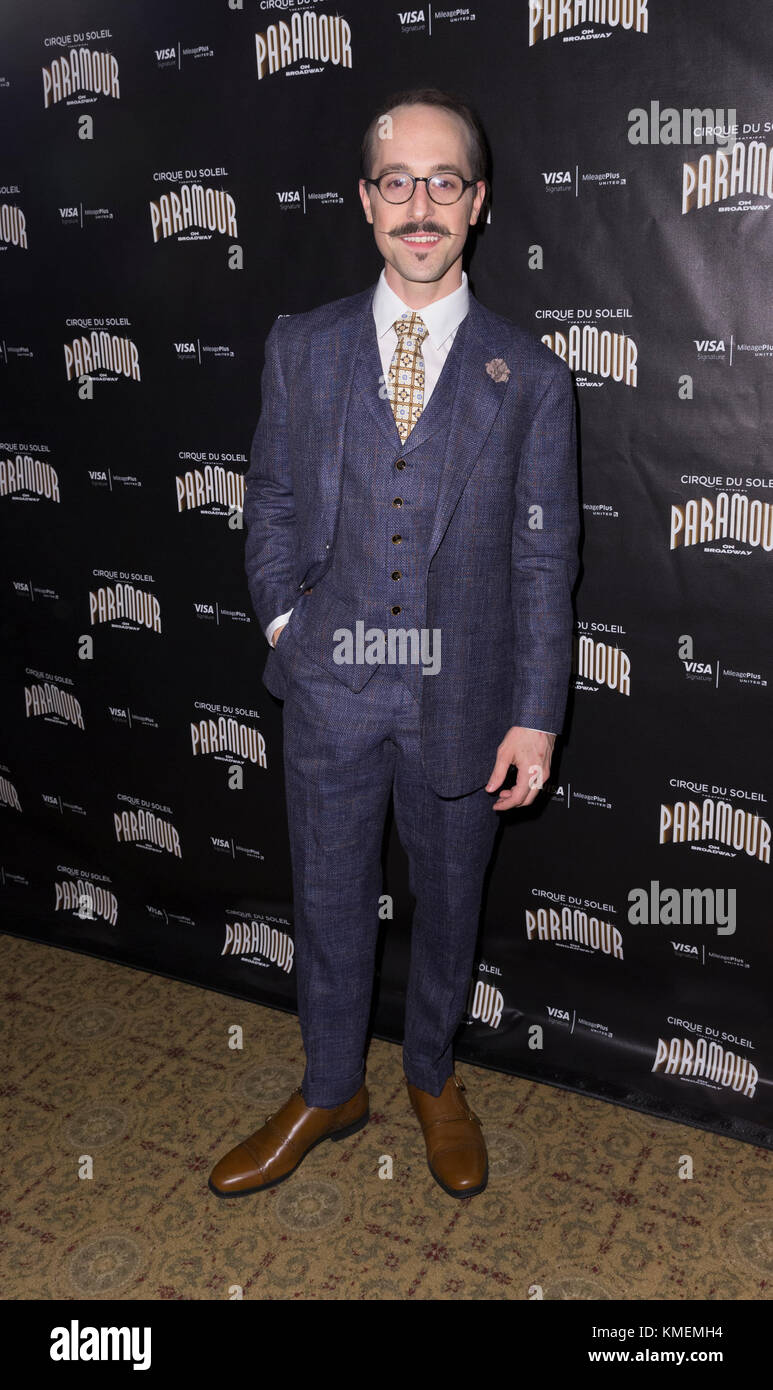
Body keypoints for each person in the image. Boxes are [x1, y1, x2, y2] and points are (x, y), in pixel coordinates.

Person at [209, 86, 579, 1201]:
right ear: (366, 200)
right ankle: (331, 1085)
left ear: (477, 203)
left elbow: (541, 559)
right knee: (324, 896)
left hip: (463, 694)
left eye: (443, 182)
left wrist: (534, 714)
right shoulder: (302, 346)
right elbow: (267, 501)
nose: (420, 205)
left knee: (450, 901)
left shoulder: (534, 379)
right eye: (396, 182)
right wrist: (286, 620)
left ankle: (429, 1075)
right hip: (330, 686)